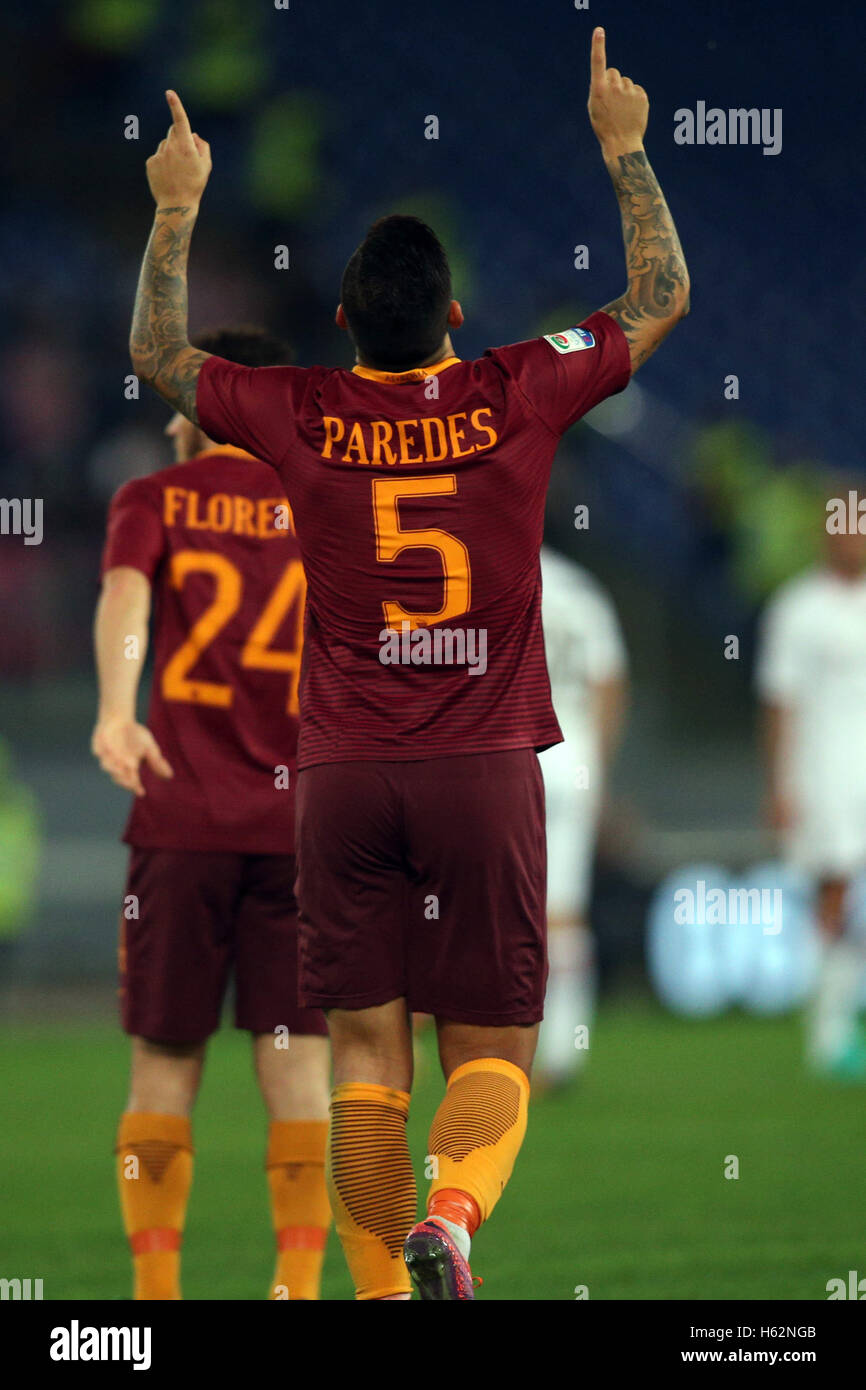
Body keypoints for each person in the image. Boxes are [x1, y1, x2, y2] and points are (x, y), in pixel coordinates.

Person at [127, 26, 689, 1299]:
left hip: (338, 772)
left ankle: (385, 1291)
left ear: (336, 322)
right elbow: (655, 302)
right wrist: (626, 146)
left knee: (364, 1059)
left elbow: (160, 358)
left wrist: (176, 209)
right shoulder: (515, 388)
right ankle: (453, 1220)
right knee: (493, 1050)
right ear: (452, 313)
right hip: (483, 766)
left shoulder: (301, 410)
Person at [92, 326, 330, 1301]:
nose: (164, 418)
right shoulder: (326, 507)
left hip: (180, 826)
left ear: (208, 405)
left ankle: (155, 1302)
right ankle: (299, 1284)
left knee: (162, 1069)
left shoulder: (151, 499)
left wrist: (115, 705)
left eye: (177, 401)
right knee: (299, 1071)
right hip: (304, 835)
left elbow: (123, 600)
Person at [756, 503, 866, 1078]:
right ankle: (829, 1036)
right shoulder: (798, 608)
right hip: (823, 774)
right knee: (836, 895)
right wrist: (779, 783)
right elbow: (779, 700)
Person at [536, 548, 628, 1088]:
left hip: (509, 753)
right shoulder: (580, 588)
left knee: (487, 904)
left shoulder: (484, 571)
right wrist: (598, 765)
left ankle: (485, 1040)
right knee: (563, 911)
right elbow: (608, 683)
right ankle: (565, 1050)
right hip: (573, 758)